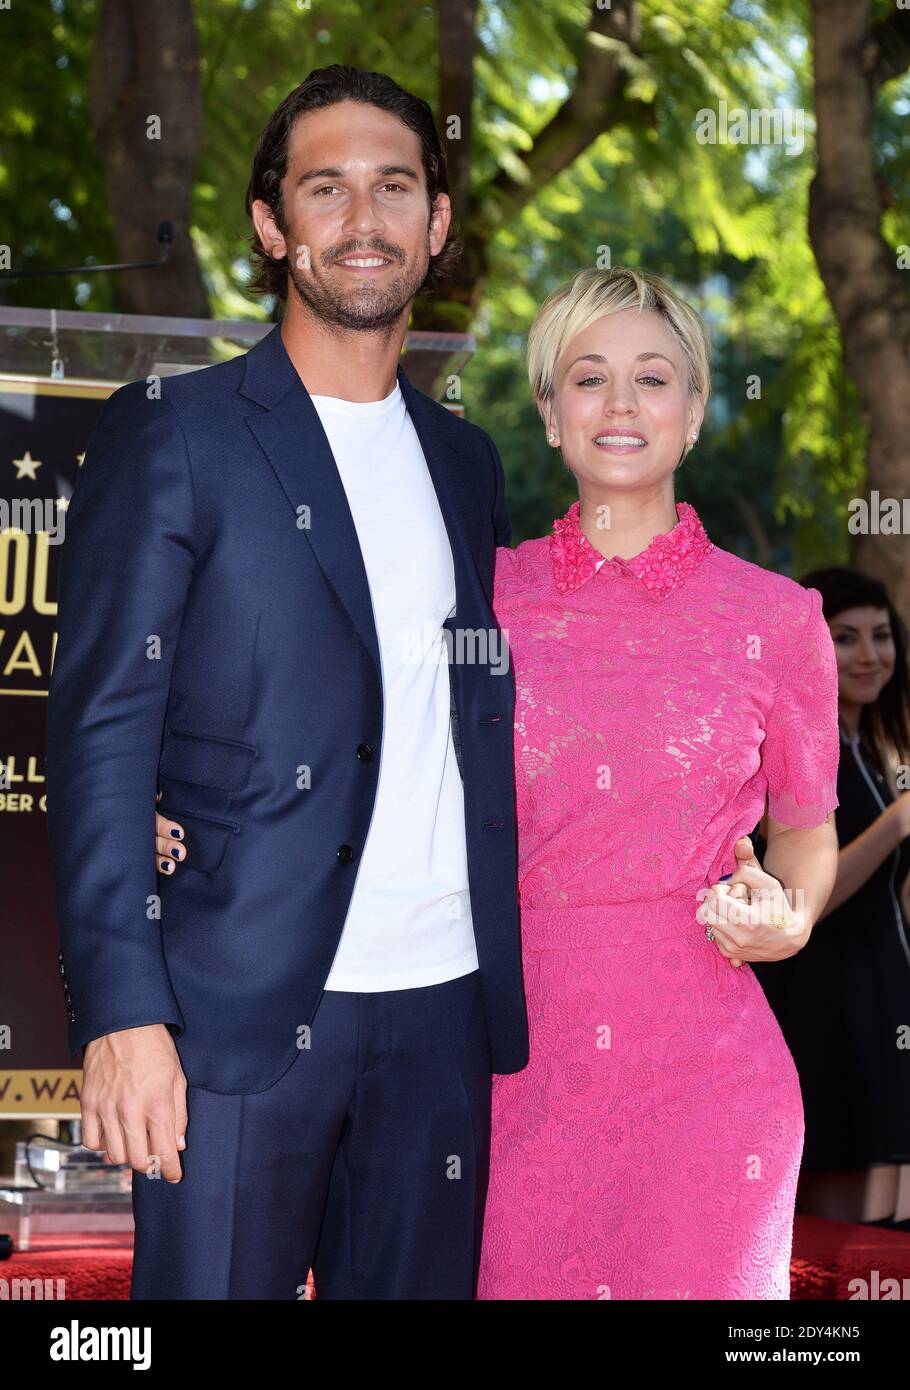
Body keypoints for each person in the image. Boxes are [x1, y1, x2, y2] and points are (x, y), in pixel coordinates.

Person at [46, 65, 528, 1301]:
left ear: (437, 226)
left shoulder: (466, 463)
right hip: (228, 1014)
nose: (361, 219)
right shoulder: (175, 429)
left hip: (440, 1012)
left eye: (393, 188)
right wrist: (120, 1015)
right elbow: (99, 735)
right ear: (272, 225)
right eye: (326, 188)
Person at [473, 266, 841, 1299]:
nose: (622, 403)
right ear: (549, 415)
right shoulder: (483, 600)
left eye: (653, 377)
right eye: (588, 378)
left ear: (692, 413)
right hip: (512, 1061)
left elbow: (808, 830)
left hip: (710, 1079)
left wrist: (793, 913)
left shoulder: (777, 619)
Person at [753, 569, 910, 1229]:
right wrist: (897, 823)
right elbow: (800, 902)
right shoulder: (795, 748)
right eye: (845, 639)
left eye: (880, 636)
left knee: (890, 1230)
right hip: (824, 1006)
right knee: (836, 1238)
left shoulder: (874, 749)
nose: (869, 655)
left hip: (888, 1000)